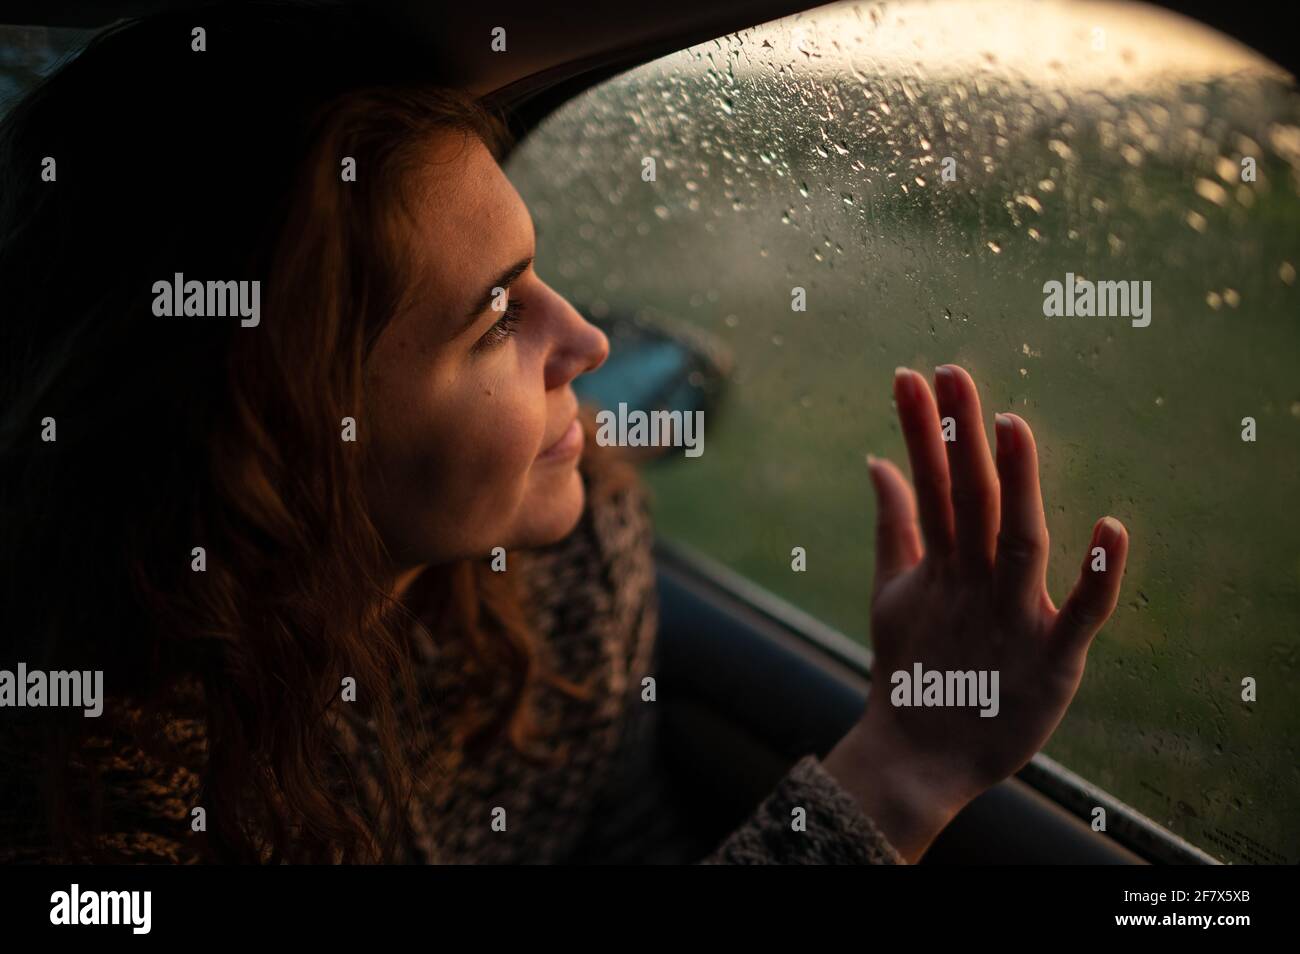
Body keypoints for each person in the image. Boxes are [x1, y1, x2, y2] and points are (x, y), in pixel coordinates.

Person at [0, 1, 1128, 864]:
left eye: (538, 275)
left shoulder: (571, 565)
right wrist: (906, 770)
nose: (586, 341)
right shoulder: (87, 786)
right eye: (496, 316)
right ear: (278, 431)